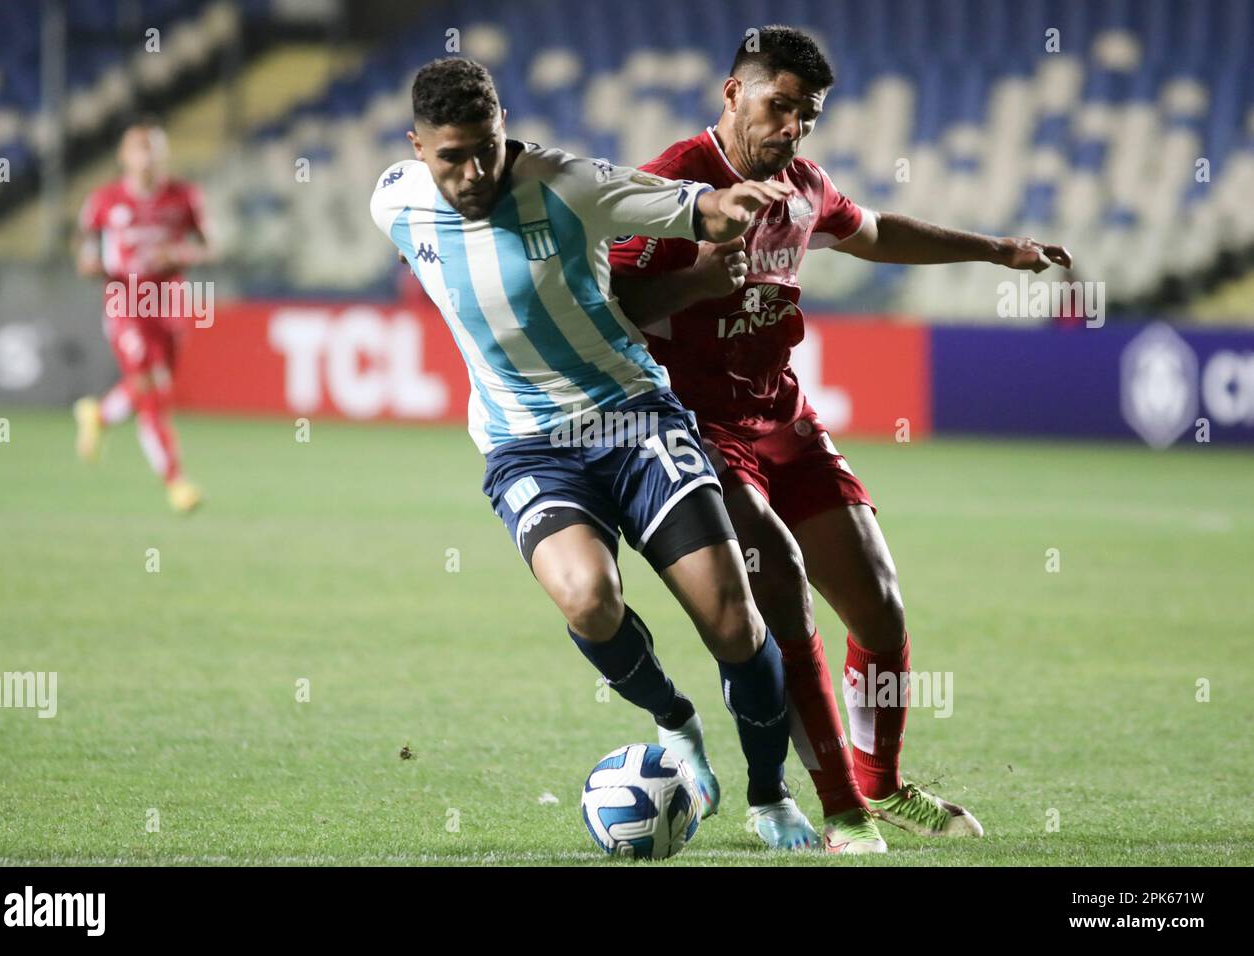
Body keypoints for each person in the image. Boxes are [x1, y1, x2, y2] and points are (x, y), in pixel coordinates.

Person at [610, 26, 1073, 852]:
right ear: (732, 94)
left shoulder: (803, 186)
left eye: (807, 116)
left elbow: (878, 232)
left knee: (880, 606)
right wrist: (696, 278)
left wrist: (997, 251)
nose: (790, 128)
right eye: (777, 106)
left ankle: (881, 784)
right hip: (695, 425)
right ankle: (837, 809)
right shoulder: (670, 186)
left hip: (782, 415)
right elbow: (612, 310)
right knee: (780, 581)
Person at [370, 57, 821, 849]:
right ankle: (675, 721)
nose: (475, 171)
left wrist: (729, 205)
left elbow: (690, 208)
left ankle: (769, 794)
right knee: (587, 598)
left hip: (632, 419)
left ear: (506, 130)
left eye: (489, 147)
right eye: (452, 157)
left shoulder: (565, 181)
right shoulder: (393, 202)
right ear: (416, 147)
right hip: (528, 445)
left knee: (729, 613)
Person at [74, 118, 212, 513]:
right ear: (123, 156)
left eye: (153, 148)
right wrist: (89, 263)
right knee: (152, 386)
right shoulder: (103, 200)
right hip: (124, 299)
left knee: (153, 377)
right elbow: (84, 246)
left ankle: (98, 414)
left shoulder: (185, 196)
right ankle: (176, 482)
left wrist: (180, 254)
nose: (147, 156)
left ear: (164, 154)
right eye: (139, 148)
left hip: (169, 300)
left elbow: (209, 245)